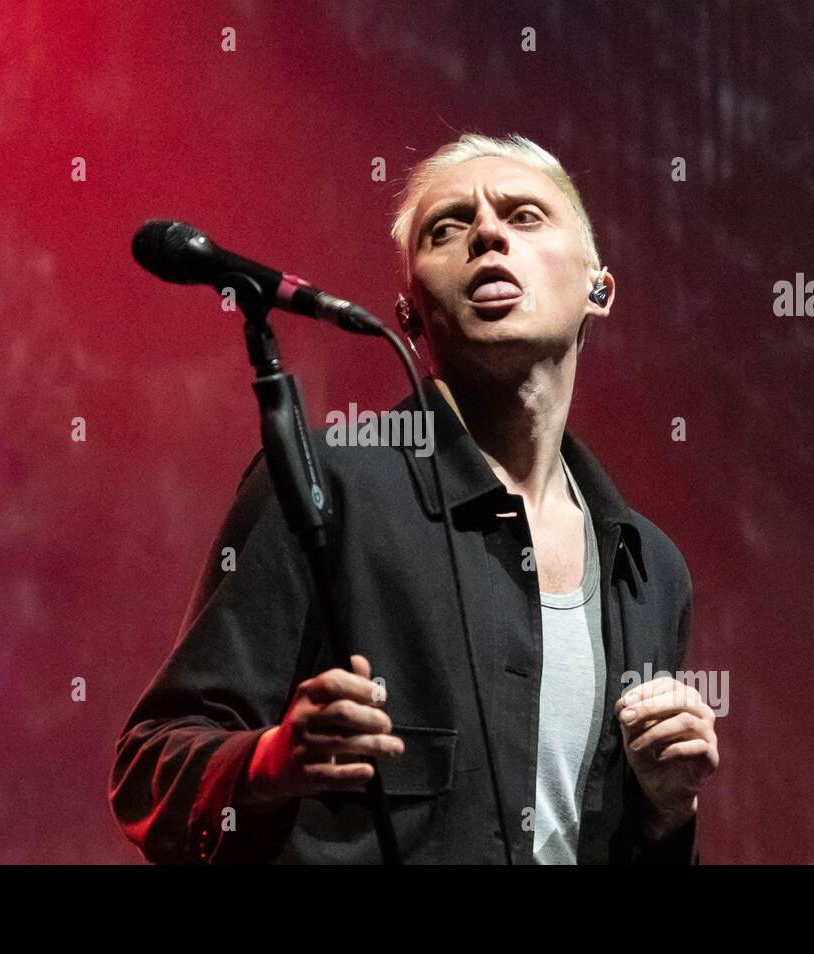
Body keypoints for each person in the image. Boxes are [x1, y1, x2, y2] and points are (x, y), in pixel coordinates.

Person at [109, 132, 718, 864]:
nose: (487, 233)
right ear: (408, 314)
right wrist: (269, 761)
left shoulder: (650, 570)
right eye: (448, 228)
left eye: (524, 216)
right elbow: (150, 768)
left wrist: (666, 812)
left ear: (599, 289)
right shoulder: (324, 486)